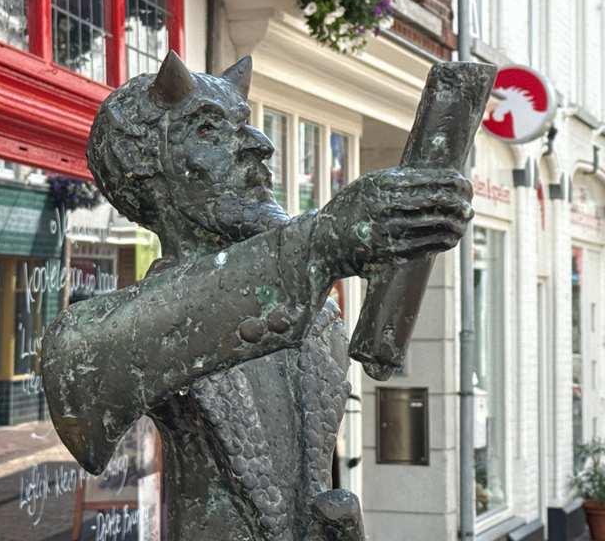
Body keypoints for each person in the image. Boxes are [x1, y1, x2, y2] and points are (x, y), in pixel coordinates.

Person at [42, 53, 479, 540]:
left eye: (244, 124)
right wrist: (321, 242)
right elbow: (81, 364)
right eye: (209, 131)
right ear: (144, 165)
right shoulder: (113, 336)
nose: (258, 144)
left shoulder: (316, 318)